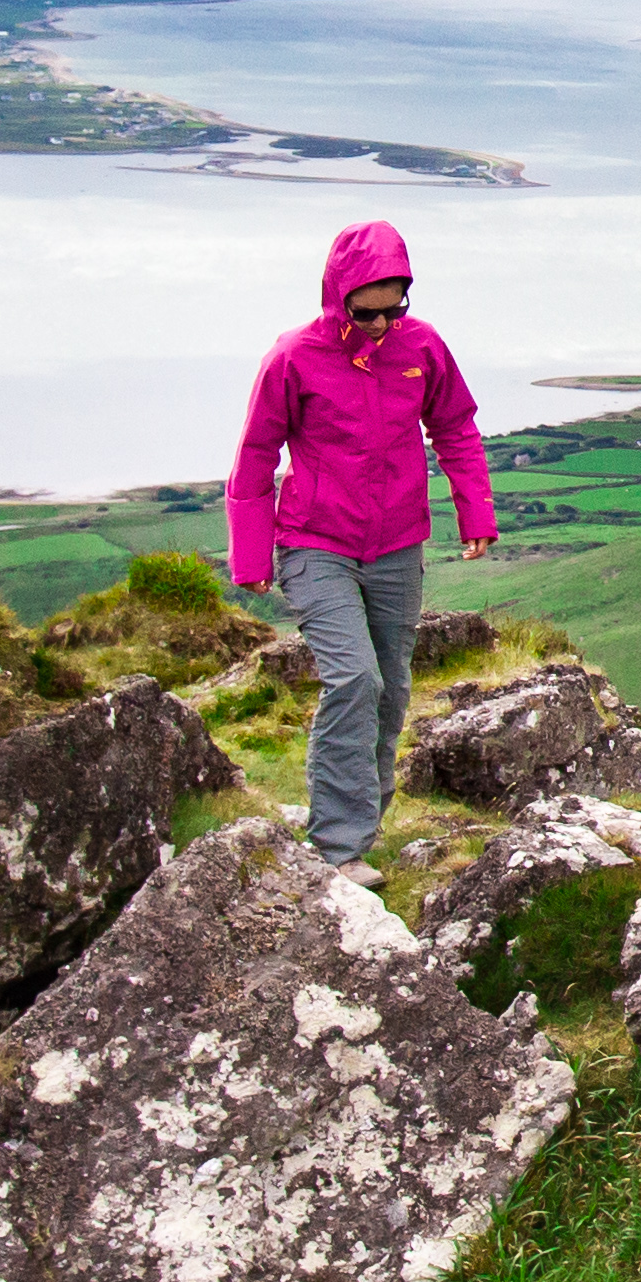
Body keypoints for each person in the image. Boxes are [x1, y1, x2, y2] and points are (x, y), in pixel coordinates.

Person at [222, 219, 495, 871]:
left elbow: (454, 426)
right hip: (316, 543)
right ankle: (338, 850)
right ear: (338, 294)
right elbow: (257, 455)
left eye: (393, 309)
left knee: (392, 689)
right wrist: (252, 555)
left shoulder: (422, 347)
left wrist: (475, 513)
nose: (379, 325)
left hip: (397, 544)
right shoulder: (293, 358)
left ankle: (363, 820)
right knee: (353, 680)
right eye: (366, 312)